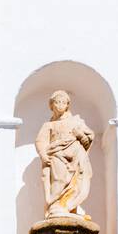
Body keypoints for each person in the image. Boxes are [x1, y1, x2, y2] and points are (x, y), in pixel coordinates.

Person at [35, 90, 94, 218]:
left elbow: (89, 137)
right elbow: (41, 141)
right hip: (56, 155)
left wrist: (82, 136)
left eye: (63, 102)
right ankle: (55, 206)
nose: (60, 105)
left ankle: (67, 206)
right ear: (52, 105)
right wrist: (43, 155)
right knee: (59, 179)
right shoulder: (48, 125)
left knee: (76, 183)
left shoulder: (76, 121)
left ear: (67, 105)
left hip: (76, 156)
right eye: (57, 102)